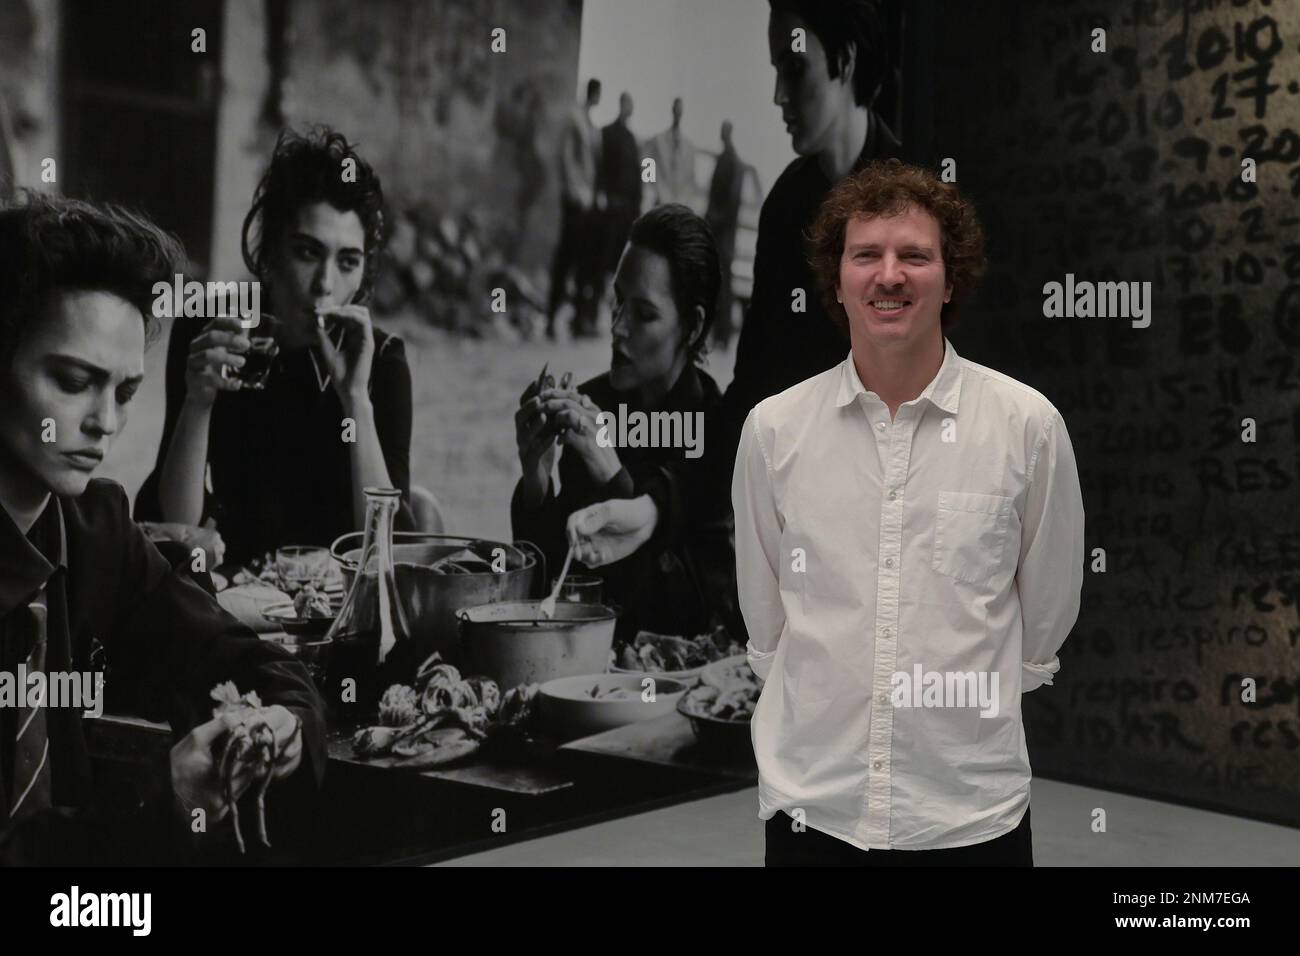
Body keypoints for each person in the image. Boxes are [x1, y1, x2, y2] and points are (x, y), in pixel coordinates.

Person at [734, 160, 1085, 865]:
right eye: (865, 255)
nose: (888, 275)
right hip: (815, 813)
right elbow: (769, 630)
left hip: (968, 818)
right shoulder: (774, 431)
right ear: (837, 280)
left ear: (951, 279)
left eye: (915, 256)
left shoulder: (1027, 427)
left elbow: (1042, 622)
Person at [0, 194, 326, 864]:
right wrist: (159, 799)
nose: (105, 423)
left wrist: (288, 720)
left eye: (124, 392)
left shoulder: (95, 532)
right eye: (72, 381)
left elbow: (244, 656)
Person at [568, 0, 903, 563]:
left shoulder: (920, 194)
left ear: (844, 63)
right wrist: (654, 507)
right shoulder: (785, 209)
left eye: (793, 70)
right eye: (774, 70)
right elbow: (752, 400)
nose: (777, 95)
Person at [135, 127, 415, 565]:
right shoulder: (212, 327)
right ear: (270, 252)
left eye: (347, 262)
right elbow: (178, 526)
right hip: (231, 588)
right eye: (307, 252)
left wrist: (356, 399)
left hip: (334, 600)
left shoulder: (380, 360)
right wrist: (198, 402)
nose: (325, 284)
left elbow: (386, 552)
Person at [513, 204, 737, 644]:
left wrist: (613, 479)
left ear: (691, 327)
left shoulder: (719, 433)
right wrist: (536, 484)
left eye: (643, 314)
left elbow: (689, 618)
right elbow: (555, 586)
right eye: (617, 302)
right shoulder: (595, 406)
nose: (616, 328)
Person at [546, 77, 603, 339]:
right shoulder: (575, 119)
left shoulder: (591, 125)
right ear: (592, 94)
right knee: (565, 258)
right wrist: (574, 192)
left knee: (581, 260)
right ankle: (550, 319)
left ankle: (573, 322)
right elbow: (566, 158)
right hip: (574, 201)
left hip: (586, 203)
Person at [705, 120, 745, 350]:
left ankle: (721, 334)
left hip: (723, 234)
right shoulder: (728, 159)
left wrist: (712, 218)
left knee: (723, 285)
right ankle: (720, 334)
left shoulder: (730, 161)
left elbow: (729, 203)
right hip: (723, 234)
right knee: (722, 284)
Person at [597, 92, 642, 286]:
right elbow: (600, 169)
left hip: (625, 213)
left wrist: (636, 211)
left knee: (615, 265)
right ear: (620, 105)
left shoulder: (632, 141)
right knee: (599, 259)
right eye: (626, 104)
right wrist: (603, 196)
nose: (627, 109)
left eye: (630, 106)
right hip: (608, 210)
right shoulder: (607, 133)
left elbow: (637, 179)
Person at [645, 97, 699, 211]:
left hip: (678, 205)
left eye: (680, 111)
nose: (677, 114)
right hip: (660, 200)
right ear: (672, 110)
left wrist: (680, 202)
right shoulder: (658, 141)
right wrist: (659, 192)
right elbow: (647, 171)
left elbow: (691, 180)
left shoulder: (689, 147)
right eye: (676, 110)